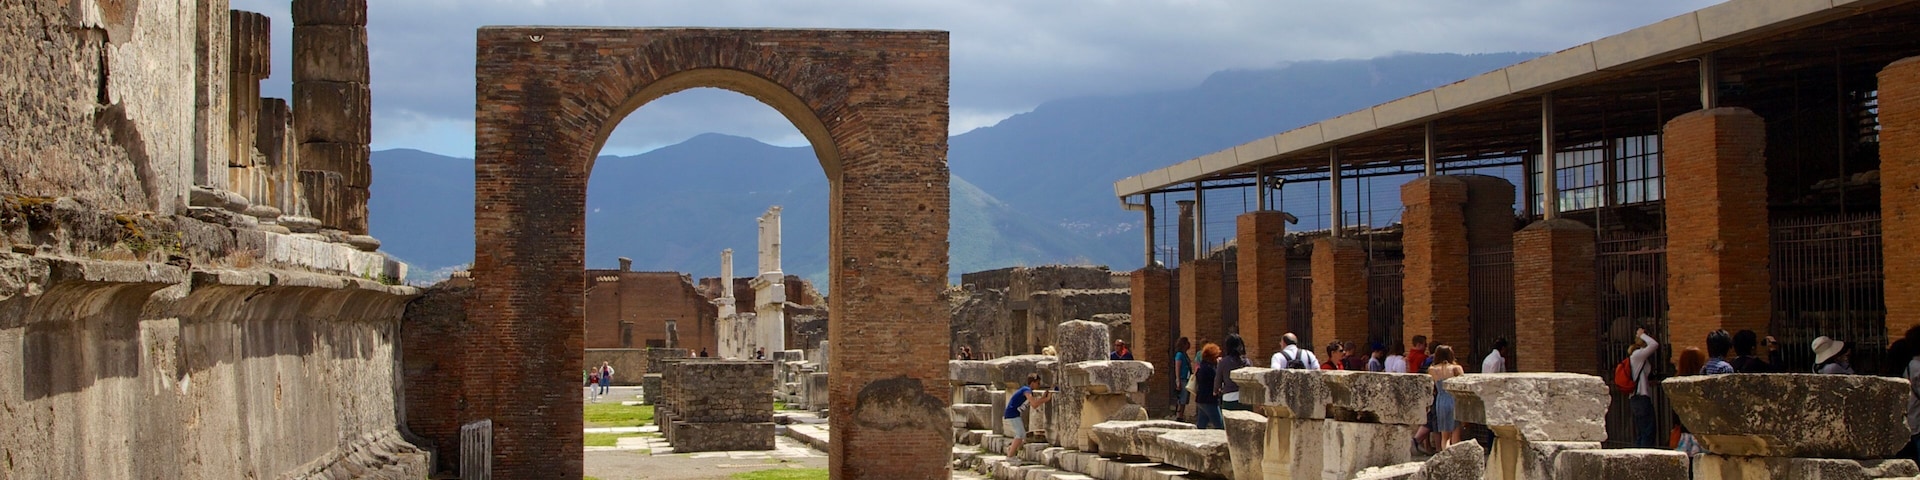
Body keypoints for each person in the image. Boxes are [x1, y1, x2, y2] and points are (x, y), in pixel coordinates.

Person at [1004, 372, 1054, 464]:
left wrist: (1043, 397)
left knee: (1021, 434)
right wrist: (1046, 399)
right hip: (1012, 413)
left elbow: (1033, 404)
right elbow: (1034, 404)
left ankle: (1010, 451)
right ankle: (1010, 457)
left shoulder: (1027, 391)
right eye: (1038, 383)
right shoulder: (1027, 390)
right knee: (1020, 434)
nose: (1039, 385)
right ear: (1033, 382)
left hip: (1014, 414)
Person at [1627, 328, 1660, 447]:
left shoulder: (1638, 358)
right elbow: (1654, 345)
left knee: (1642, 432)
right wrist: (1643, 335)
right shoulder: (1638, 355)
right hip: (1640, 399)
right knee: (1648, 432)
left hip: (1637, 399)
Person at [1429, 344, 1466, 448]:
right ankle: (1455, 457)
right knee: (1456, 431)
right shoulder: (1456, 368)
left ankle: (1445, 455)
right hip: (1454, 399)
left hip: (1441, 399)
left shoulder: (1432, 369)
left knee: (1444, 435)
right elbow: (1463, 384)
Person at [1217, 334, 1252, 411]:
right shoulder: (1247, 362)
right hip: (1245, 398)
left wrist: (1216, 391)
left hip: (1229, 398)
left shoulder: (1223, 362)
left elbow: (1217, 384)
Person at [1194, 342, 1224, 429]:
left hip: (1200, 399)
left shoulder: (1201, 367)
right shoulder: (1209, 369)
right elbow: (1217, 379)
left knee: (1201, 426)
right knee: (1220, 425)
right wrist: (1219, 366)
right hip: (1209, 400)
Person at [1173, 337, 1194, 420]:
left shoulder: (1185, 354)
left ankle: (1181, 414)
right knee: (1182, 397)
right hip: (1182, 378)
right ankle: (1179, 415)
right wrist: (1178, 380)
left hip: (1186, 378)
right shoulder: (1179, 355)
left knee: (1185, 398)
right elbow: (1177, 367)